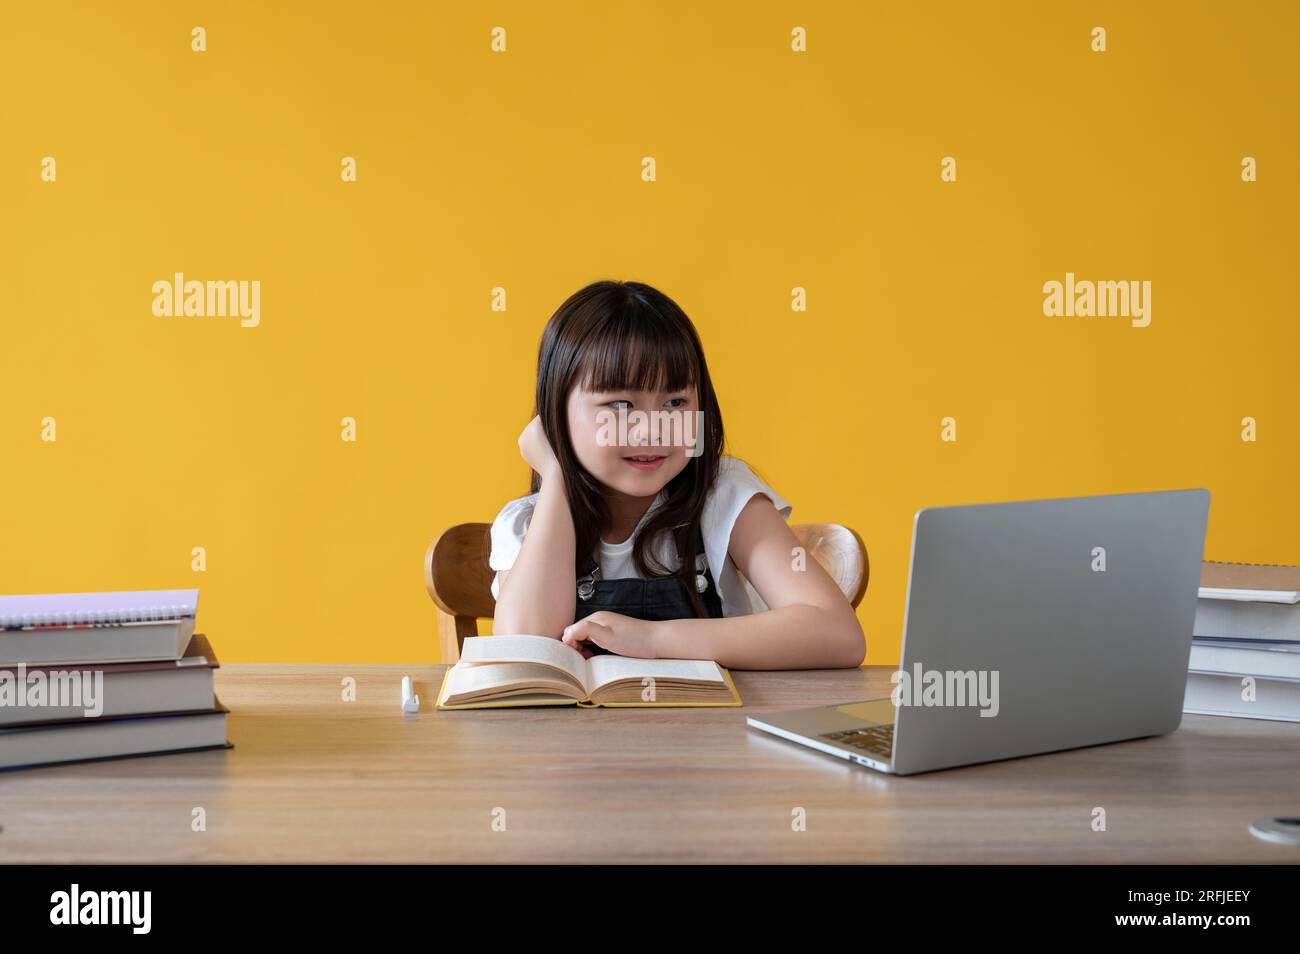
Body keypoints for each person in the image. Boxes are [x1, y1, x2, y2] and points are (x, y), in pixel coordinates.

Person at [489, 279, 865, 670]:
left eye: (674, 402)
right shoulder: (530, 522)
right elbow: (525, 650)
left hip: (711, 729)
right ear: (556, 414)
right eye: (620, 404)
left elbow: (838, 634)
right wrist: (556, 474)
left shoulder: (725, 497)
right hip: (578, 733)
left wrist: (654, 638)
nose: (652, 429)